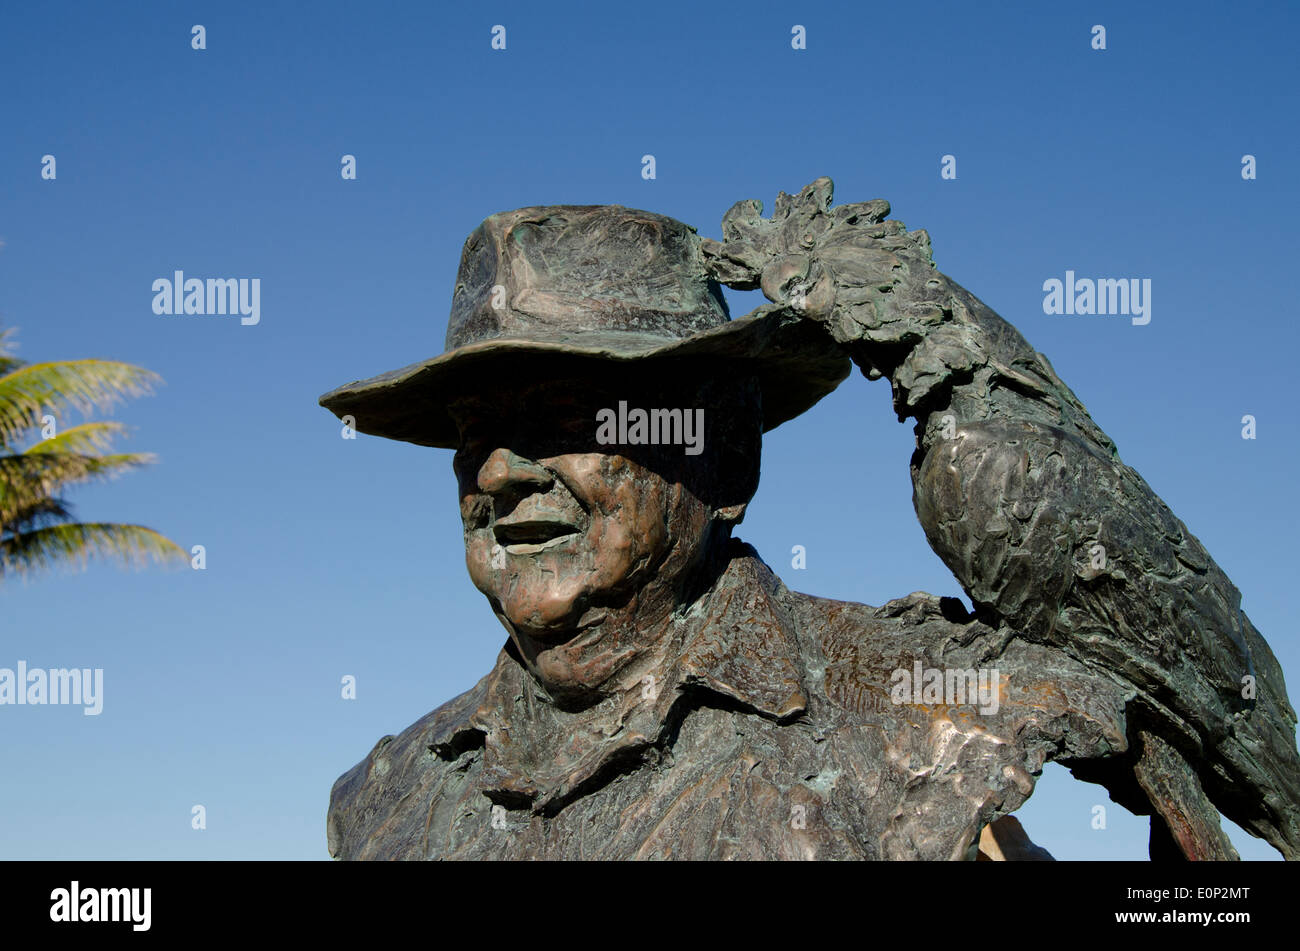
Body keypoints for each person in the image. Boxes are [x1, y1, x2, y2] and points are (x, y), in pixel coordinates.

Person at [320, 181, 1300, 860]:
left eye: (571, 418)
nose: (501, 468)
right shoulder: (383, 800)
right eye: (475, 429)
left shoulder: (947, 715)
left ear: (728, 457)